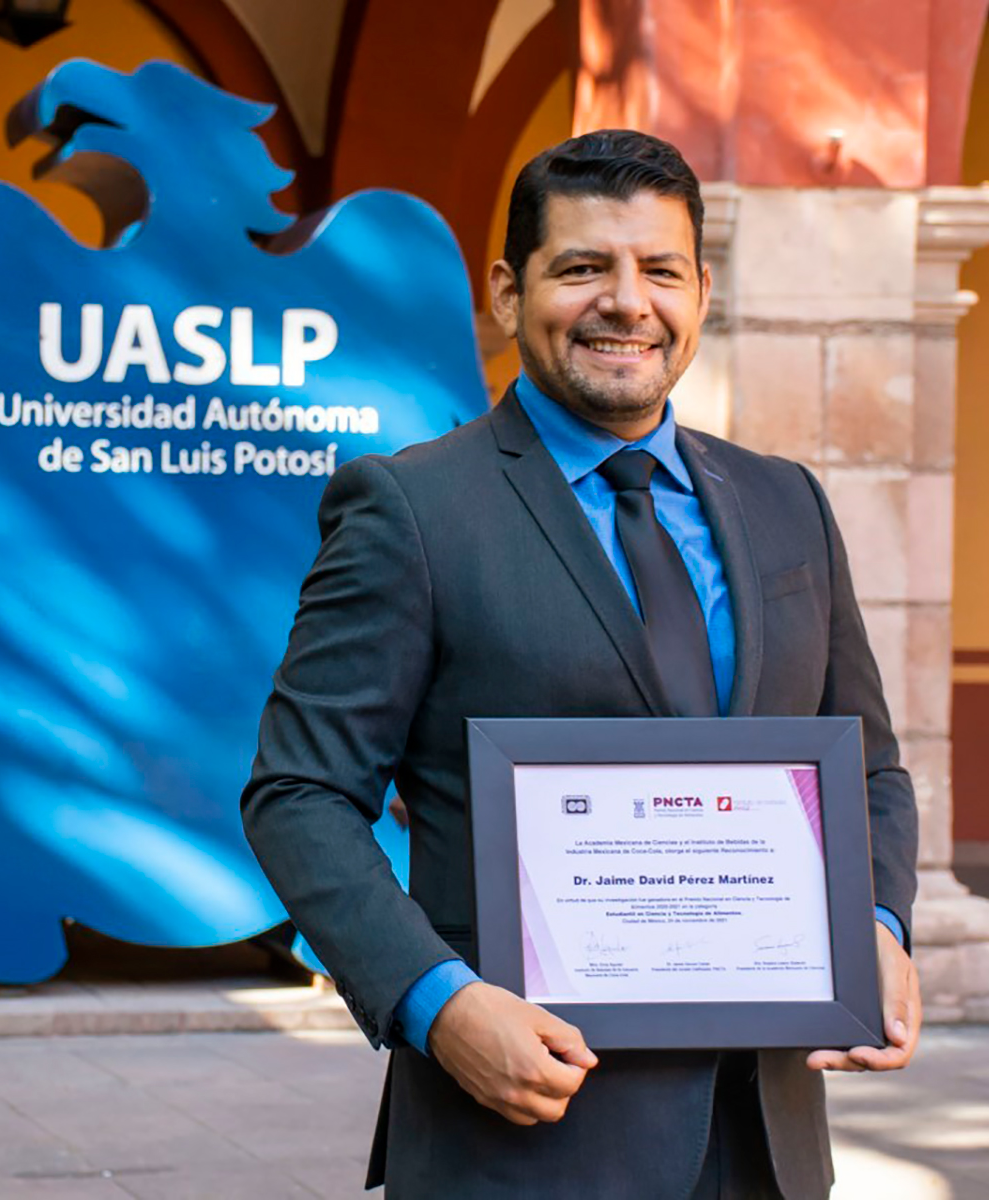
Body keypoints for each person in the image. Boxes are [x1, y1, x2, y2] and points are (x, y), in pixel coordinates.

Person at [241, 129, 921, 1199]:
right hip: (521, 1132)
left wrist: (875, 926)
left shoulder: (787, 502)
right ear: (509, 293)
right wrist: (438, 1005)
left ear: (700, 290)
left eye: (658, 270)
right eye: (581, 268)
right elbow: (299, 794)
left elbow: (869, 766)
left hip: (767, 1137)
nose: (625, 302)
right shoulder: (410, 509)